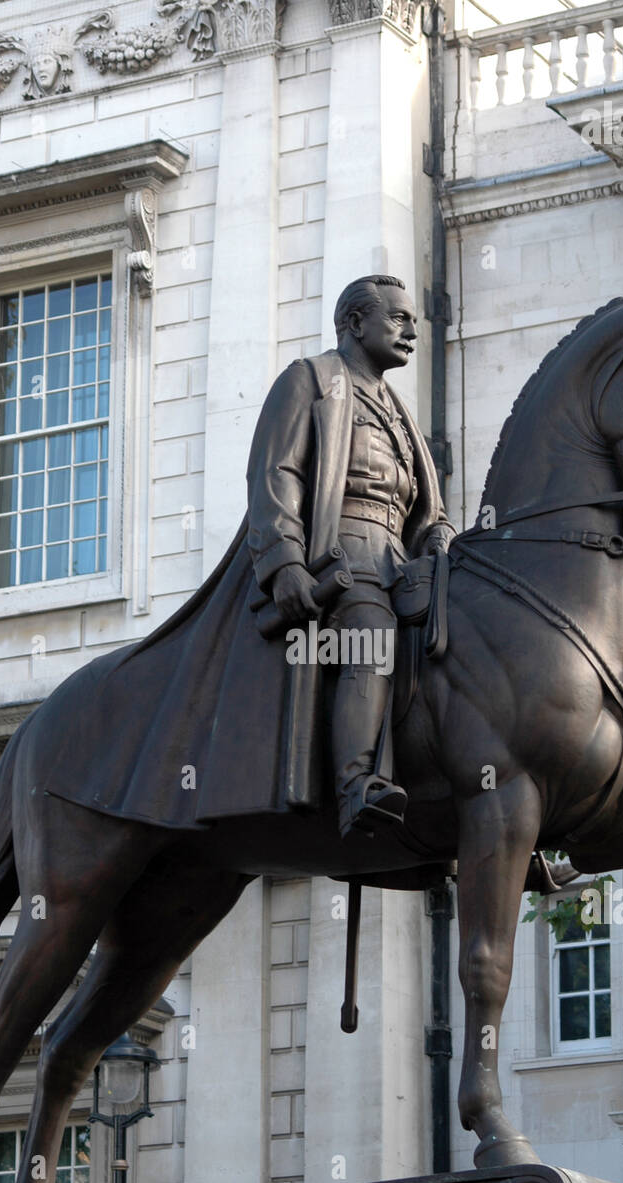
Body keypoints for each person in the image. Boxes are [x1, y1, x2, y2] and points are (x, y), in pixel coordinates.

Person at [246, 275, 454, 836]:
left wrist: (438, 533)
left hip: (400, 560)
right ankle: (358, 785)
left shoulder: (398, 409)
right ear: (356, 324)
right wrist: (283, 561)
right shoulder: (311, 380)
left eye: (414, 318)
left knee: (468, 640)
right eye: (398, 318)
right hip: (339, 558)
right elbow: (277, 472)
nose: (413, 329)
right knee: (370, 632)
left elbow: (420, 505)